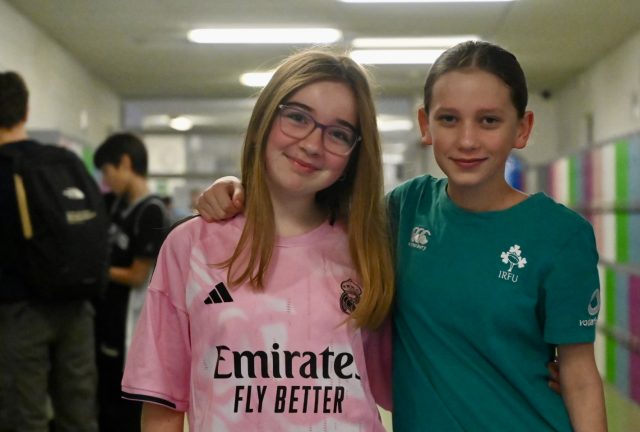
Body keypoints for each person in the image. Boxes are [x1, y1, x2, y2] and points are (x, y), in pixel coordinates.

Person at [197, 41, 607, 431]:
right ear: (425, 124)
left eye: (489, 120)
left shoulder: (561, 236)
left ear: (522, 128)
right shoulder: (405, 210)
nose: (467, 139)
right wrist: (239, 188)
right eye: (449, 118)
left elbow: (580, 374)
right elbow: (312, 215)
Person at [121, 50, 395, 431]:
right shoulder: (191, 246)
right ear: (266, 116)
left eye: (338, 133)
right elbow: (163, 407)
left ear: (355, 151)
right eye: (298, 117)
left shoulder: (369, 249)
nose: (313, 144)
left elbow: (400, 389)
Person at [0, 71, 99, 431]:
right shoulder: (63, 162)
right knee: (79, 413)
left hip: (19, 312)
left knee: (23, 417)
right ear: (26, 110)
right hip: (77, 307)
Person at [93, 132, 170, 432]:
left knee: (122, 407)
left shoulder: (151, 212)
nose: (106, 180)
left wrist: (95, 271)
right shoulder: (119, 207)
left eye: (108, 172)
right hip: (110, 318)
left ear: (125, 163)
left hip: (130, 324)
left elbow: (138, 275)